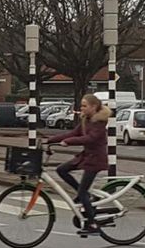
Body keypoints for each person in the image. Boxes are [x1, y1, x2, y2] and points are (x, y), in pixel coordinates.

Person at [47, 94, 109, 233]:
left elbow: (90, 139)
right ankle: (84, 196)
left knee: (82, 191)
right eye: (81, 105)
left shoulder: (99, 123)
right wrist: (51, 139)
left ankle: (93, 225)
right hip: (86, 157)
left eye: (84, 105)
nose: (81, 108)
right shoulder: (85, 120)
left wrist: (69, 142)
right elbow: (72, 133)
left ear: (93, 107)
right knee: (61, 170)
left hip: (95, 159)